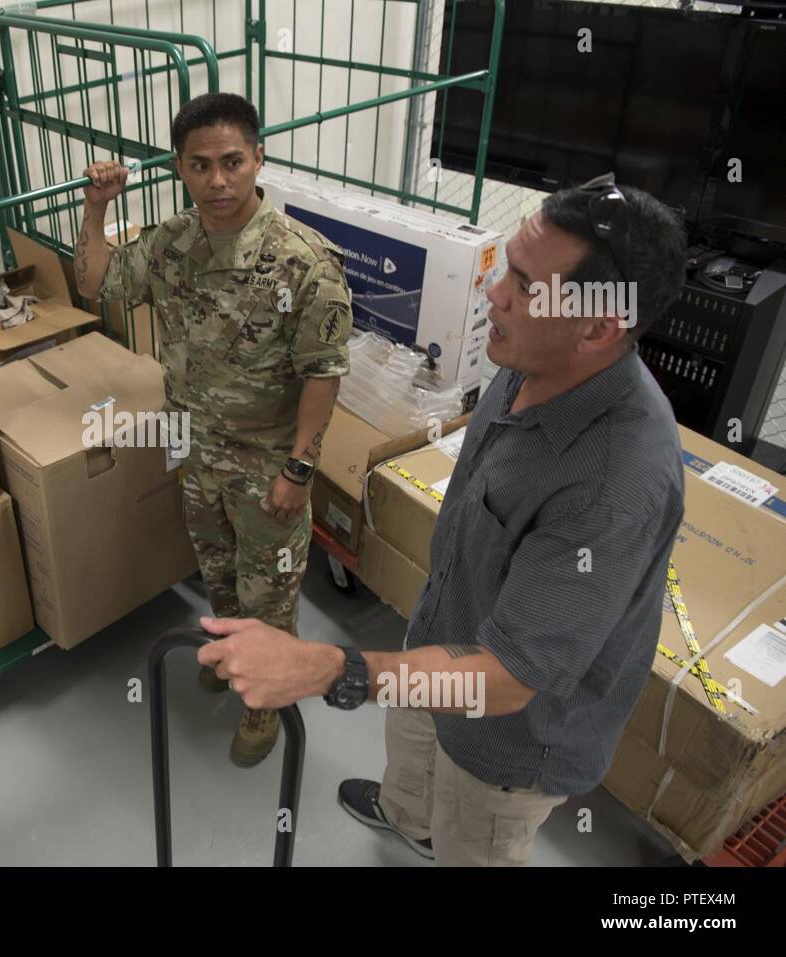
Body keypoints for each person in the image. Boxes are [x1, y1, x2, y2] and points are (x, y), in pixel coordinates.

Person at [198, 174, 687, 864]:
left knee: (471, 837)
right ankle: (410, 819)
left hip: (503, 738)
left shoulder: (612, 483)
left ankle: (445, 837)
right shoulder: (531, 357)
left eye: (522, 283)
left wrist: (328, 668)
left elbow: (507, 679)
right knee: (416, 769)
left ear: (599, 326)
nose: (494, 296)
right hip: (439, 641)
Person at [75, 93, 353, 767]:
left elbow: (324, 373)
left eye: (233, 161)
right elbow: (94, 283)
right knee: (220, 577)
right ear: (180, 169)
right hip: (197, 452)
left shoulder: (303, 262)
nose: (218, 180)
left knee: (271, 590)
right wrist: (97, 207)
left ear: (259, 158)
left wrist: (298, 470)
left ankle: (266, 705)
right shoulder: (173, 243)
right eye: (201, 165)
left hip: (267, 466)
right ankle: (232, 660)